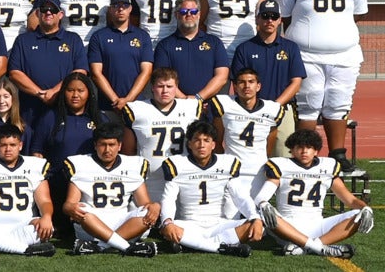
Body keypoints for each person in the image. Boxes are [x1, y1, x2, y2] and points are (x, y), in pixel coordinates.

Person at [277, 0, 368, 171]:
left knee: (338, 102)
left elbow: (358, 12)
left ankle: (338, 153)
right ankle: (304, 153)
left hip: (345, 52)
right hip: (307, 54)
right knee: (309, 102)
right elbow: (284, 14)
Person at [253, 129, 374, 258]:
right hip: (287, 225)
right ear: (291, 150)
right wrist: (263, 203)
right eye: (299, 147)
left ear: (316, 150)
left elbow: (349, 199)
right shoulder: (282, 165)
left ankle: (307, 247)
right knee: (264, 210)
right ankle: (320, 249)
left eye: (309, 147)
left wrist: (365, 208)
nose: (304, 151)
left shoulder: (327, 166)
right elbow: (262, 196)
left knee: (359, 214)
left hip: (317, 224)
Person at [159, 120, 263, 257]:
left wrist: (254, 217)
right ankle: (224, 247)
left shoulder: (227, 163)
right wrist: (168, 221)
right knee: (168, 229)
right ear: (189, 144)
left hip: (219, 224)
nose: (201, 145)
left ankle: (193, 245)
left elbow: (240, 196)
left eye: (206, 140)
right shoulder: (177, 164)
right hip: (190, 225)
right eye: (197, 140)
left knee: (257, 224)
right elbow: (168, 198)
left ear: (213, 144)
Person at [63, 122, 159, 257]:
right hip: (92, 225)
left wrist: (154, 206)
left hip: (123, 223)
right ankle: (127, 247)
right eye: (103, 145)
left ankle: (100, 247)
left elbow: (144, 203)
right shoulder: (80, 164)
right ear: (95, 145)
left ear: (119, 145)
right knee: (83, 210)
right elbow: (69, 204)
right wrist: (71, 208)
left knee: (147, 212)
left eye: (112, 145)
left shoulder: (133, 165)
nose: (107, 150)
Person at [31, 73, 106, 234]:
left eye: (80, 90)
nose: (75, 95)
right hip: (56, 185)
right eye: (70, 90)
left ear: (89, 93)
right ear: (63, 92)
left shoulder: (100, 119)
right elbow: (37, 152)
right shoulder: (50, 118)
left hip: (89, 188)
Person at [0, 124, 56, 256]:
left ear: (20, 146)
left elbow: (44, 200)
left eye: (13, 145)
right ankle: (25, 250)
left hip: (24, 223)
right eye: (3, 145)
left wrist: (47, 217)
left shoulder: (35, 166)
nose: (8, 149)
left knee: (47, 227)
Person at [231, 0, 306, 156]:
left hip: (282, 110)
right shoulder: (244, 49)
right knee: (251, 158)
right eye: (265, 16)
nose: (269, 20)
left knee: (284, 159)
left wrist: (276, 105)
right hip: (251, 111)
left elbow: (296, 81)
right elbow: (237, 82)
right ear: (257, 19)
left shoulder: (290, 48)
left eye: (274, 16)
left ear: (280, 20)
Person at [210, 68, 284, 216]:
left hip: (258, 170)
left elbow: (271, 139)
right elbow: (217, 139)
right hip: (233, 170)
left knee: (258, 218)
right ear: (235, 86)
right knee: (229, 217)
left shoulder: (273, 109)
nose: (247, 86)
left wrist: (263, 161)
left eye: (251, 82)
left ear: (258, 86)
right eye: (242, 82)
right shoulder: (224, 104)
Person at [120, 67, 202, 201]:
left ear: (176, 87)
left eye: (169, 86)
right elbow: (128, 151)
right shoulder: (136, 109)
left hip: (183, 175)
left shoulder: (191, 107)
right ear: (152, 87)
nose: (165, 91)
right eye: (160, 86)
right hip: (150, 179)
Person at [8, 0, 87, 129]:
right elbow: (14, 72)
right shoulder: (23, 40)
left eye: (53, 10)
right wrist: (40, 93)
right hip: (29, 109)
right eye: (44, 9)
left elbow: (80, 71)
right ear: (38, 13)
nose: (48, 13)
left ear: (60, 14)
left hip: (63, 107)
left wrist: (55, 92)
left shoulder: (73, 39)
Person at [88, 0, 153, 114]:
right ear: (110, 10)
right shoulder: (99, 37)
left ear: (130, 9)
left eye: (125, 5)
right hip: (107, 106)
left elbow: (147, 71)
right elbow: (96, 73)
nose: (120, 9)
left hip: (136, 105)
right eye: (116, 5)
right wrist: (115, 100)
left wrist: (128, 100)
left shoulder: (143, 36)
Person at [154, 0, 229, 100]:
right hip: (176, 105)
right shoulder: (165, 45)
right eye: (184, 11)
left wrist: (199, 98)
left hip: (208, 106)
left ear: (199, 14)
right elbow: (162, 78)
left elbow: (222, 76)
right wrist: (185, 100)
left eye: (193, 11)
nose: (189, 14)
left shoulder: (214, 42)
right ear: (176, 15)